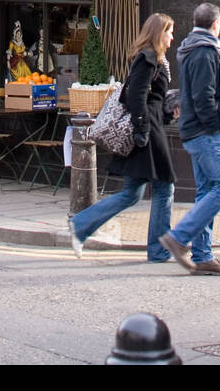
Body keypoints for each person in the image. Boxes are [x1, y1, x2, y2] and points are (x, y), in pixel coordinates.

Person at [68, 13, 177, 262]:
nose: (172, 36)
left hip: (150, 127)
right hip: (148, 133)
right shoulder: (148, 58)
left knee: (133, 193)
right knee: (164, 187)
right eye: (169, 31)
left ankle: (81, 225)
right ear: (158, 34)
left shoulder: (155, 59)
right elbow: (135, 97)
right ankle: (158, 250)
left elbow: (152, 98)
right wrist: (142, 130)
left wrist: (169, 111)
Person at [158, 2, 220, 276]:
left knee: (207, 191)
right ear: (216, 24)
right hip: (206, 133)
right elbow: (204, 97)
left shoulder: (189, 47)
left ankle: (203, 256)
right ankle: (179, 237)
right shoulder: (205, 51)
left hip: (194, 130)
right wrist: (214, 126)